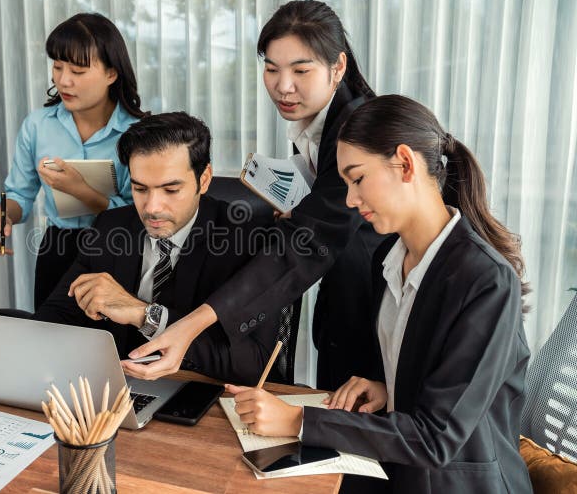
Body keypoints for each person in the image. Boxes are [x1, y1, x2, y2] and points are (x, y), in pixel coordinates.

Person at [227, 95, 532, 493]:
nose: (351, 200)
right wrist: (387, 387)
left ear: (405, 163)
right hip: (397, 468)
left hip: (456, 483)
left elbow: (436, 437)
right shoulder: (388, 258)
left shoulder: (485, 281)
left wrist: (297, 421)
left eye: (357, 179)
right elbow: (435, 374)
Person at [124, 0, 384, 391]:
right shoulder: (319, 121)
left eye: (300, 70)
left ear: (338, 67)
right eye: (271, 69)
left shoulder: (356, 133)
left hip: (379, 308)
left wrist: (190, 326)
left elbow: (303, 246)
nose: (283, 86)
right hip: (346, 302)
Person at [34, 112, 281, 384]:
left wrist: (145, 315)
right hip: (116, 393)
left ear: (204, 179)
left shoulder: (247, 238)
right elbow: (54, 316)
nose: (152, 208)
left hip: (199, 397)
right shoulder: (111, 225)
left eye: (170, 190)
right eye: (140, 189)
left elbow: (254, 363)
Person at [0, 12, 148, 308]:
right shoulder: (37, 125)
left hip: (119, 248)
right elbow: (20, 193)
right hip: (57, 249)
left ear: (111, 74)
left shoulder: (138, 134)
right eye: (58, 67)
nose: (64, 80)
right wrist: (3, 215)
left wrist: (80, 191)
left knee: (109, 346)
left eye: (78, 71)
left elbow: (141, 212)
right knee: (50, 339)